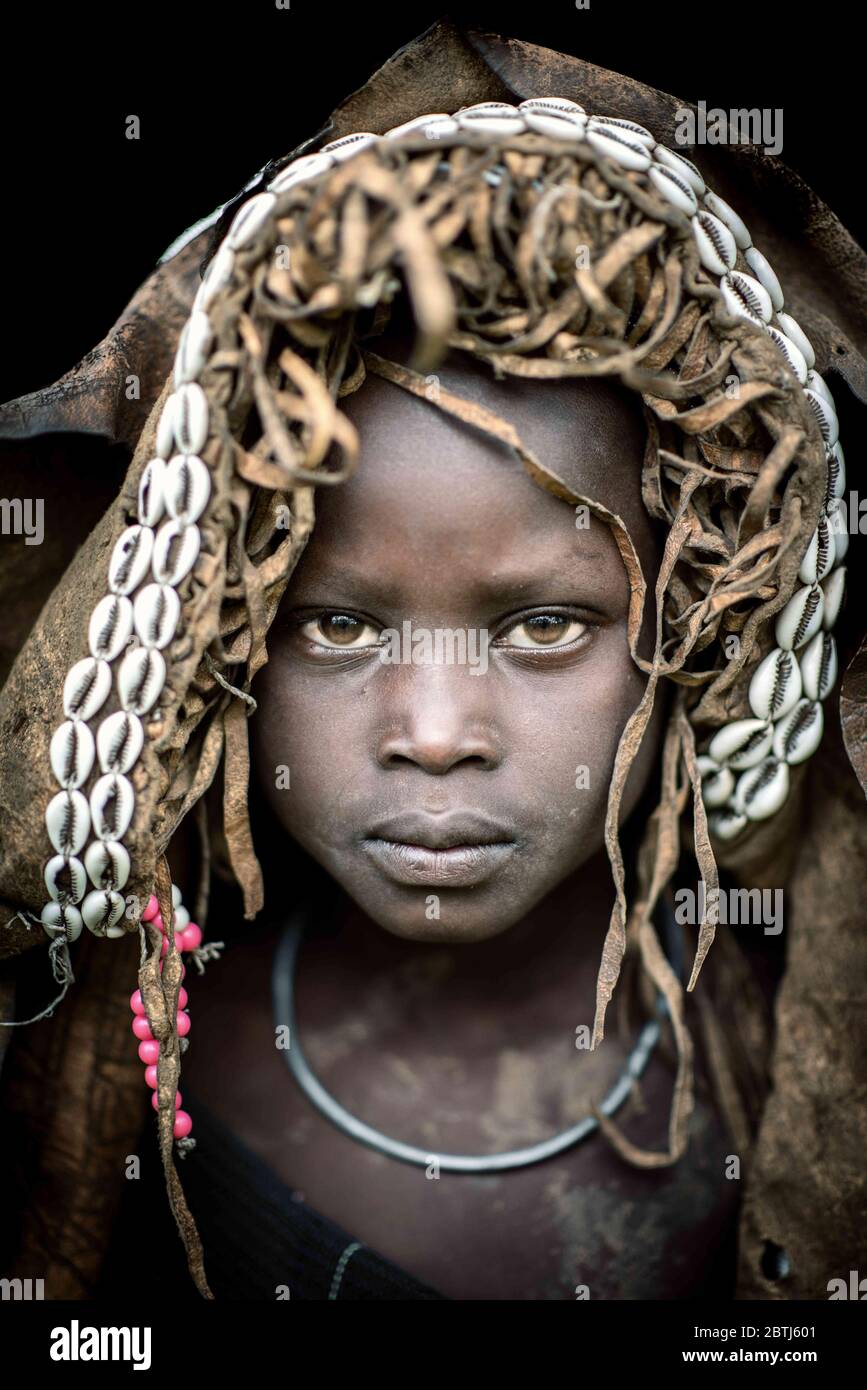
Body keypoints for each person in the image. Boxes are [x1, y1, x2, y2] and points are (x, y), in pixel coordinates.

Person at [1, 21, 866, 1303]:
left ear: (699, 621)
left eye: (546, 625)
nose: (438, 728)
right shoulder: (119, 1050)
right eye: (340, 624)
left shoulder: (795, 1045)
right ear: (217, 630)